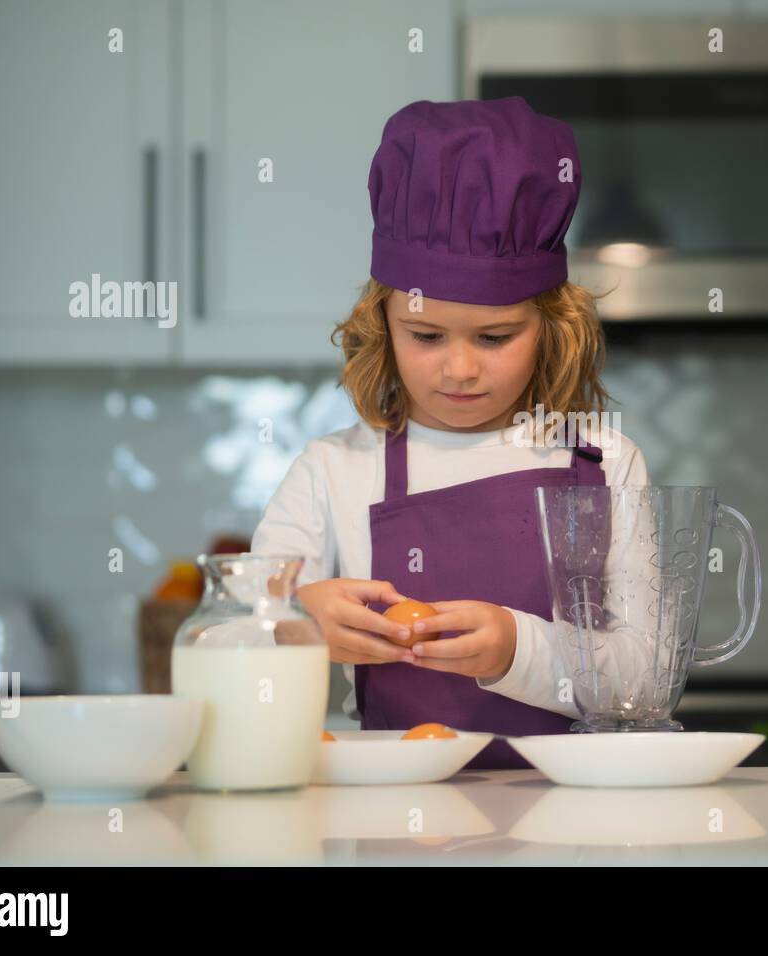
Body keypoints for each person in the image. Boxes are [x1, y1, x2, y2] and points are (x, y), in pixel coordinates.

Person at [251, 96, 650, 769]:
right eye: (426, 335)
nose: (459, 368)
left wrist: (516, 647)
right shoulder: (334, 471)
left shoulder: (606, 461)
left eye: (495, 337)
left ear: (554, 326)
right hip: (397, 826)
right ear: (382, 322)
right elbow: (227, 643)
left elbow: (644, 676)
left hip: (581, 827)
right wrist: (294, 624)